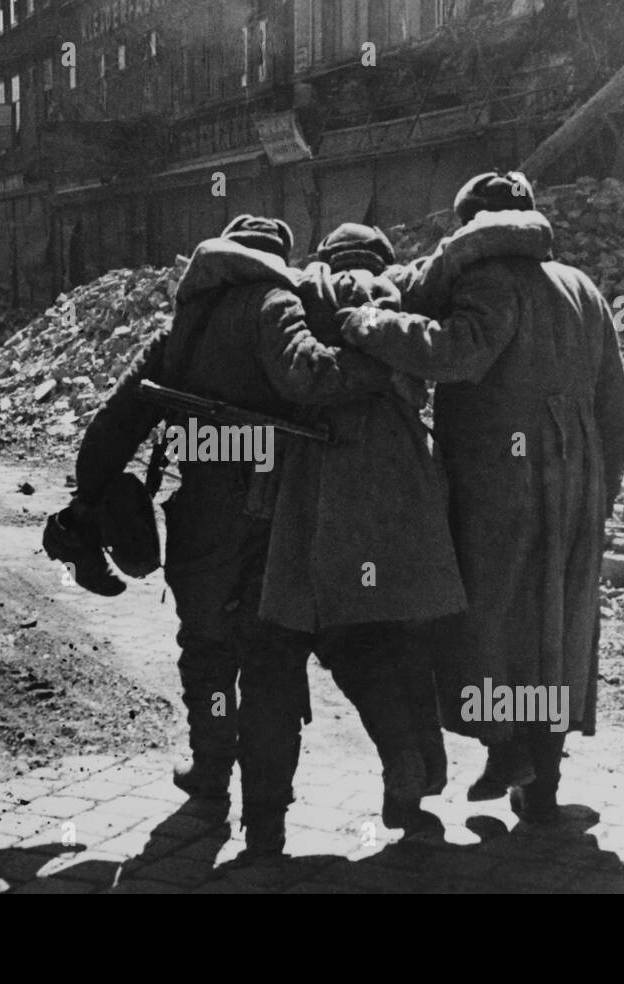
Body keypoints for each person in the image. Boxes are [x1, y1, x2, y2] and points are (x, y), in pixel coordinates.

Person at [61, 215, 402, 857]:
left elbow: (115, 424)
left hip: (197, 515)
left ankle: (212, 768)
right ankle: (266, 818)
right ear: (279, 259)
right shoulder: (275, 303)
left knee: (208, 648)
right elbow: (310, 377)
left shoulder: (184, 323)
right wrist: (375, 363)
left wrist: (89, 495)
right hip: (269, 512)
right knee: (271, 658)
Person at [341, 171, 624, 821]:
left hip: (499, 487)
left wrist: (368, 325)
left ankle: (505, 748)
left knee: (489, 626)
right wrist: (599, 492)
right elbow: (621, 411)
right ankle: (542, 786)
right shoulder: (582, 288)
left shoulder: (487, 277)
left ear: (469, 224)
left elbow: (456, 352)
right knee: (555, 634)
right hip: (576, 488)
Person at [259, 222, 463, 830]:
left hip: (337, 478)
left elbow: (301, 376)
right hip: (406, 476)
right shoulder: (399, 296)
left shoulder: (307, 295)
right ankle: (419, 774)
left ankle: (403, 758)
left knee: (347, 631)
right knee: (407, 631)